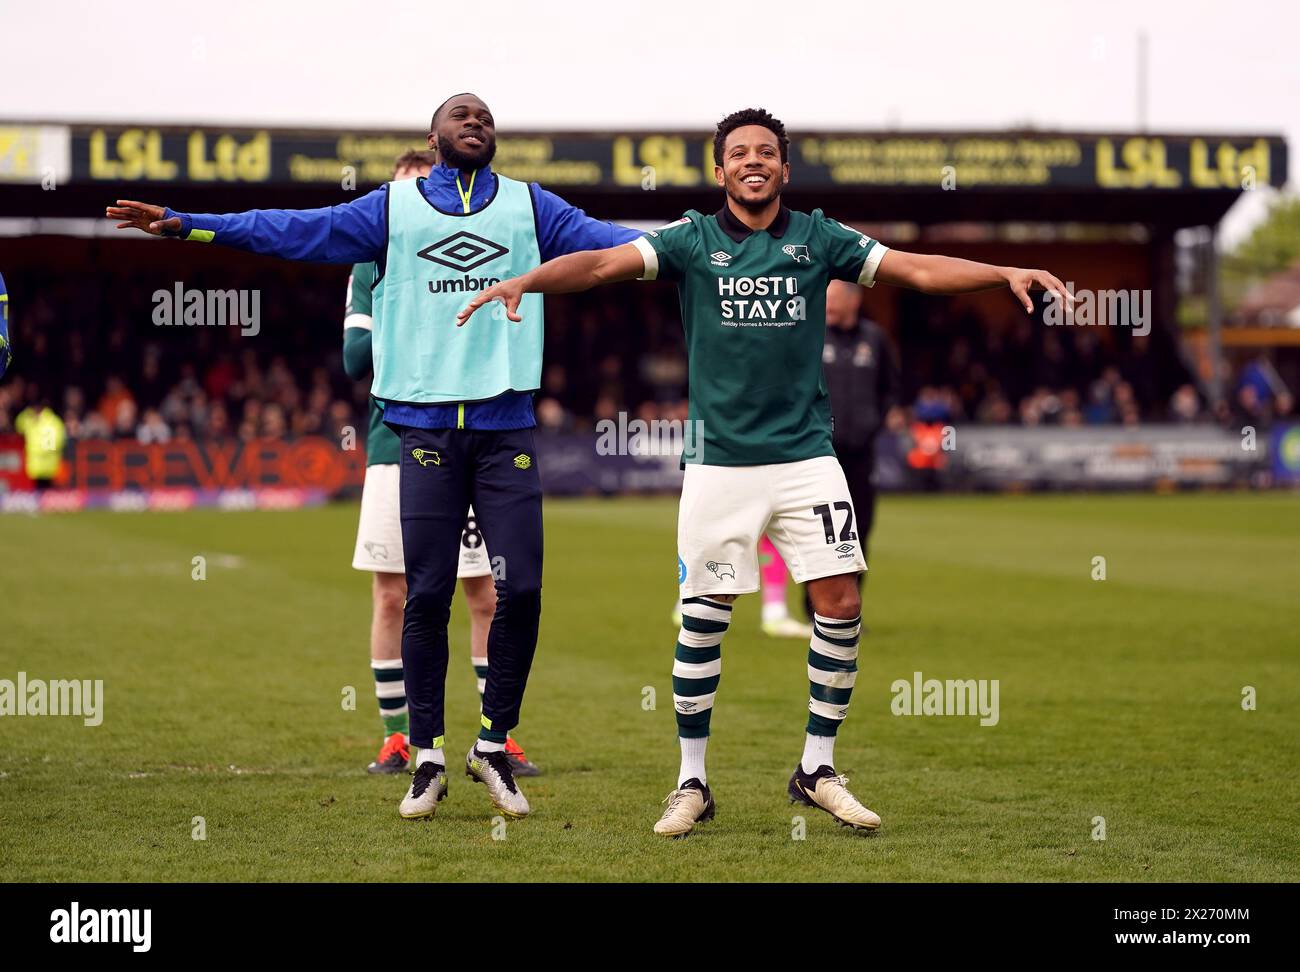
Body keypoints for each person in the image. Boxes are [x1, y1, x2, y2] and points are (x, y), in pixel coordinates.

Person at [460, 107, 1071, 837]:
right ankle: (692, 781)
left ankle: (816, 767)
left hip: (808, 457)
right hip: (719, 465)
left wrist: (1000, 270)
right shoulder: (691, 240)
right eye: (739, 153)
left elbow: (915, 269)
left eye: (767, 152)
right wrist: (528, 280)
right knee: (704, 620)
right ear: (721, 171)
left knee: (841, 602)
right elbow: (598, 264)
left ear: (784, 168)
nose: (753, 161)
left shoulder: (821, 238)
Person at [107, 92, 639, 822]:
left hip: (504, 426)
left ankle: (491, 744)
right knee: (424, 595)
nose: (475, 121)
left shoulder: (530, 206)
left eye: (485, 114)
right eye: (461, 114)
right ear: (435, 135)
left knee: (522, 592)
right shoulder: (391, 208)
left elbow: (622, 246)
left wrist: (708, 242)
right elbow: (294, 231)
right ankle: (425, 755)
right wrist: (192, 227)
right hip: (420, 432)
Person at [343, 149, 540, 778]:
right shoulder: (371, 265)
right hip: (393, 446)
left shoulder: (487, 245)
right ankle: (399, 737)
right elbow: (353, 357)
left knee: (486, 591)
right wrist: (416, 309)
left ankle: (494, 739)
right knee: (394, 595)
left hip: (478, 434)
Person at [14, 396, 65, 489]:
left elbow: (53, 445)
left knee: (47, 494)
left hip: (49, 467)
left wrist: (38, 451)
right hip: (33, 466)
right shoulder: (28, 419)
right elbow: (19, 424)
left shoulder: (51, 422)